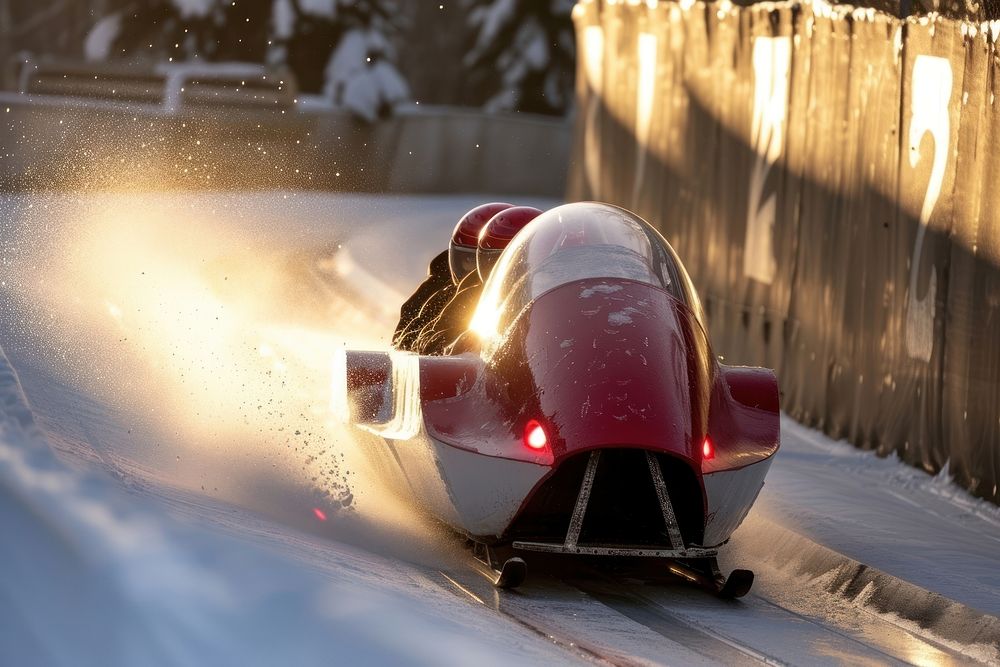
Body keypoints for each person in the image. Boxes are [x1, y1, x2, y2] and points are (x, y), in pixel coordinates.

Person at [423, 205, 544, 356]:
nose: (515, 276)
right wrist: (467, 341)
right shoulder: (470, 300)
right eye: (468, 261)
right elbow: (432, 349)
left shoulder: (560, 295)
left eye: (525, 264)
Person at [392, 202, 512, 351]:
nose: (476, 273)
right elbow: (406, 346)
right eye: (469, 261)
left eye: (493, 263)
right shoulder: (439, 294)